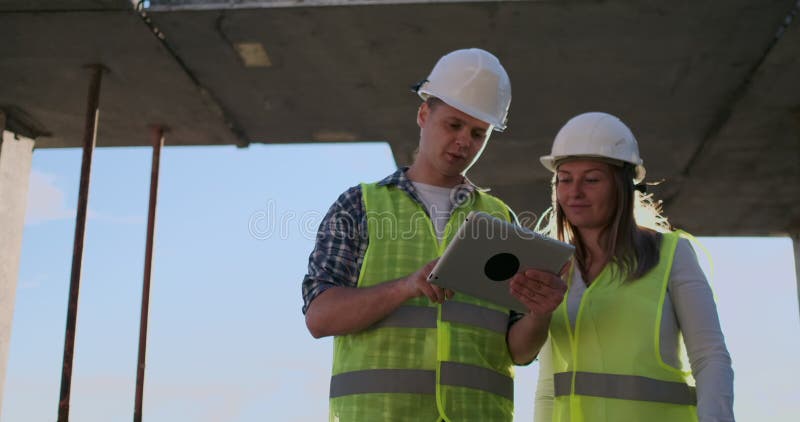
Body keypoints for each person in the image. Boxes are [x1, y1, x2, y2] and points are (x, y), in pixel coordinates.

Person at [301, 48, 567, 421]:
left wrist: (539, 314)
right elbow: (319, 317)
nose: (464, 142)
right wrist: (405, 287)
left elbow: (519, 352)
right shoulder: (358, 205)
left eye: (478, 133)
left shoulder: (500, 218)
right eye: (453, 125)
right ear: (424, 114)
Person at [532, 112, 735, 421]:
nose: (574, 192)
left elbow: (710, 359)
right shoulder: (556, 268)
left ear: (622, 186)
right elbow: (549, 385)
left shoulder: (671, 254)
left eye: (591, 179)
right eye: (565, 179)